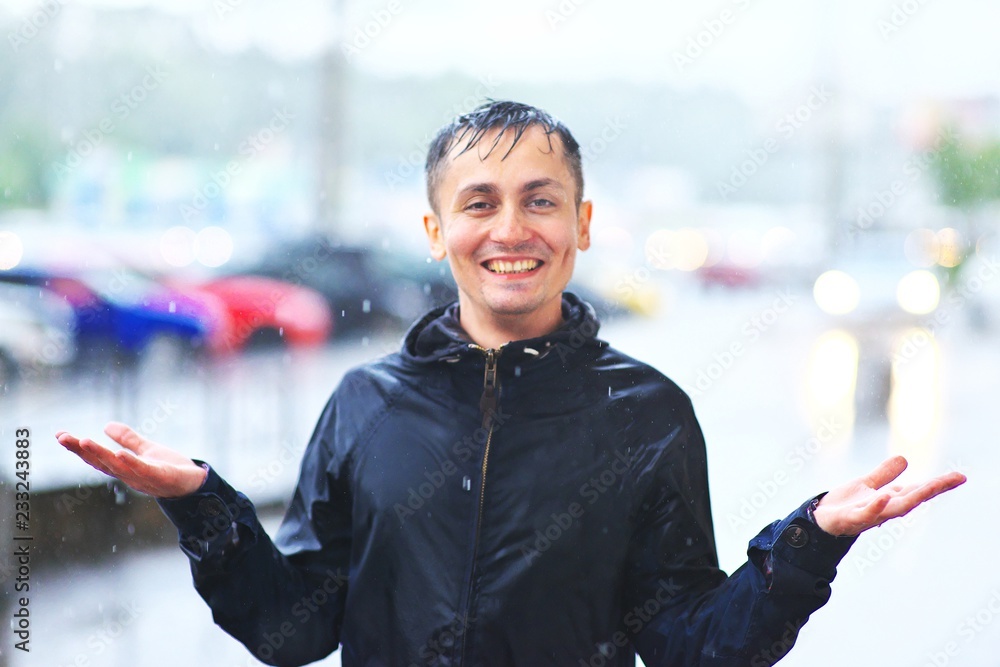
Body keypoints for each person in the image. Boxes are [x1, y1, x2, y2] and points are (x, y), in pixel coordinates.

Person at [56, 100, 965, 667]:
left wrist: (809, 543)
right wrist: (204, 506)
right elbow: (295, 630)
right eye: (479, 202)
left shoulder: (646, 413)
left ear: (582, 224)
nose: (511, 228)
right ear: (434, 227)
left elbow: (692, 641)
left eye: (540, 199)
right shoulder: (365, 407)